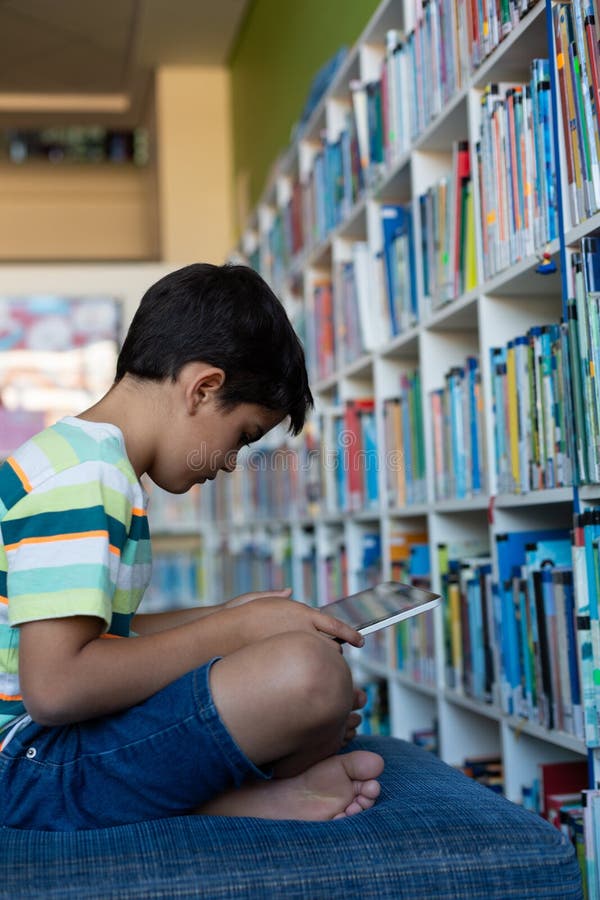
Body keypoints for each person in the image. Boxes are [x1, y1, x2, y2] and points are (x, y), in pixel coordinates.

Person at [0, 263, 384, 830]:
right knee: (309, 675)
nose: (229, 463)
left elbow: (97, 636)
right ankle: (226, 799)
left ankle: (238, 785)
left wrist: (229, 616)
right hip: (24, 766)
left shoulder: (80, 460)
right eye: (242, 437)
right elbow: (55, 688)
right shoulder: (85, 478)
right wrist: (235, 633)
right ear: (203, 389)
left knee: (308, 681)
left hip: (37, 751)